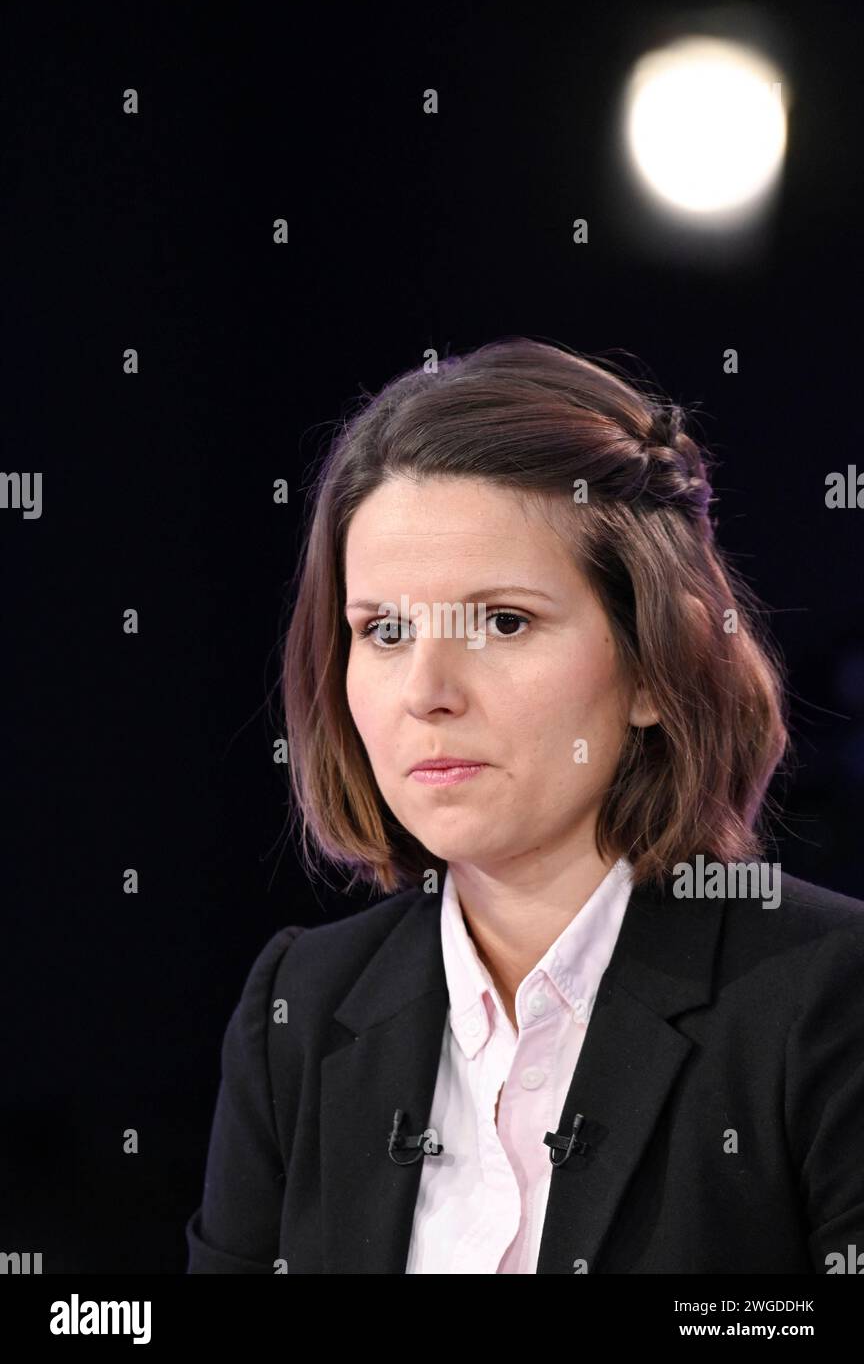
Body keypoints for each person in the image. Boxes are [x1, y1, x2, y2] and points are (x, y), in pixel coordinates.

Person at [185, 337, 864, 1274]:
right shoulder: (297, 1010)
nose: (426, 690)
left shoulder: (829, 997)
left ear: (652, 669)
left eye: (503, 621)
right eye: (383, 630)